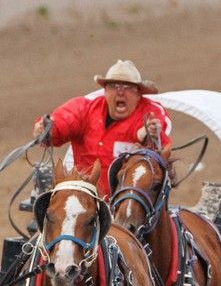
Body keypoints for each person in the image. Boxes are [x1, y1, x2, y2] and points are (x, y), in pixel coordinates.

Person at [33, 60, 172, 201]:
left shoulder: (150, 110)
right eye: (113, 86)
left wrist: (146, 134)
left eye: (128, 87)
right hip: (84, 200)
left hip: (127, 202)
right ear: (105, 91)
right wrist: (47, 129)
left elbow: (158, 136)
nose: (120, 92)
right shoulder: (85, 109)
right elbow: (65, 120)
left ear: (138, 94)